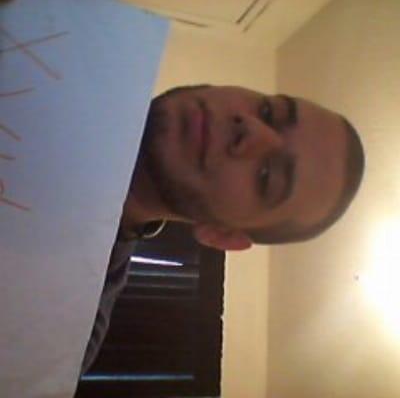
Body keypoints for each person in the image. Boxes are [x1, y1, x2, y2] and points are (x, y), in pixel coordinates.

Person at [80, 84, 365, 373]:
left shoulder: (70, 329)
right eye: (268, 111)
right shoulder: (92, 64)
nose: (251, 129)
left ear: (222, 235)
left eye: (266, 176)